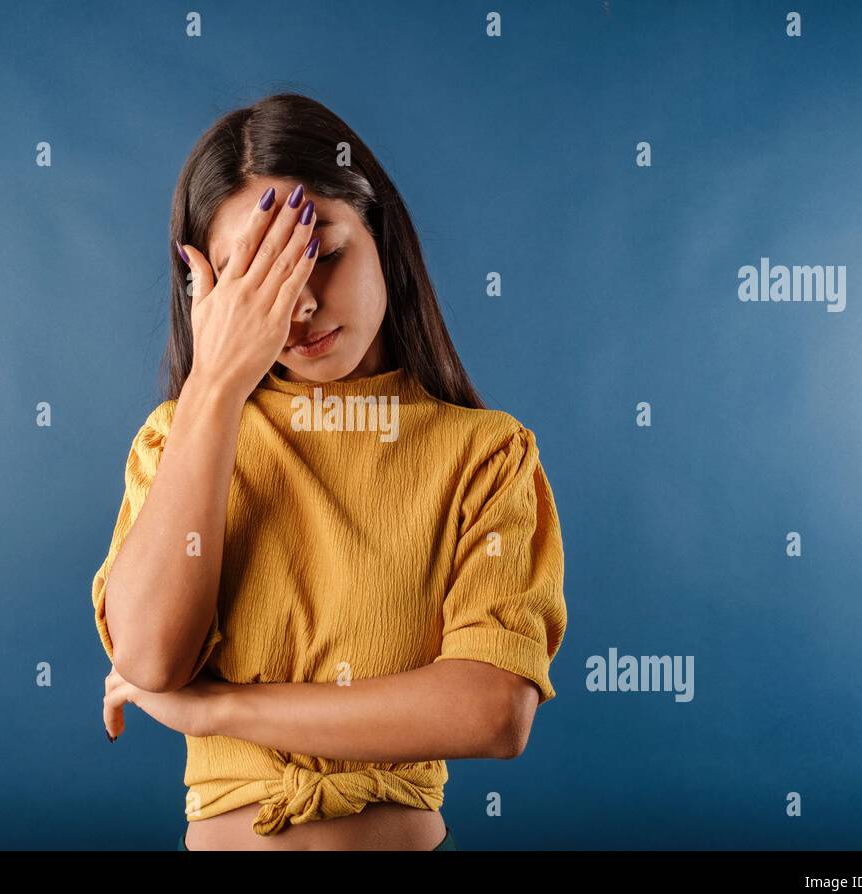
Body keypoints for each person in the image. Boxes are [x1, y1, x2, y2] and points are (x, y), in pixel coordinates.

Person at [93, 93, 567, 850]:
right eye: (257, 283)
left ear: (380, 234)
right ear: (208, 296)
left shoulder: (486, 453)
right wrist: (215, 389)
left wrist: (220, 711)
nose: (302, 304)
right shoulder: (179, 441)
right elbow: (149, 658)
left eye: (323, 254)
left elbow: (492, 711)